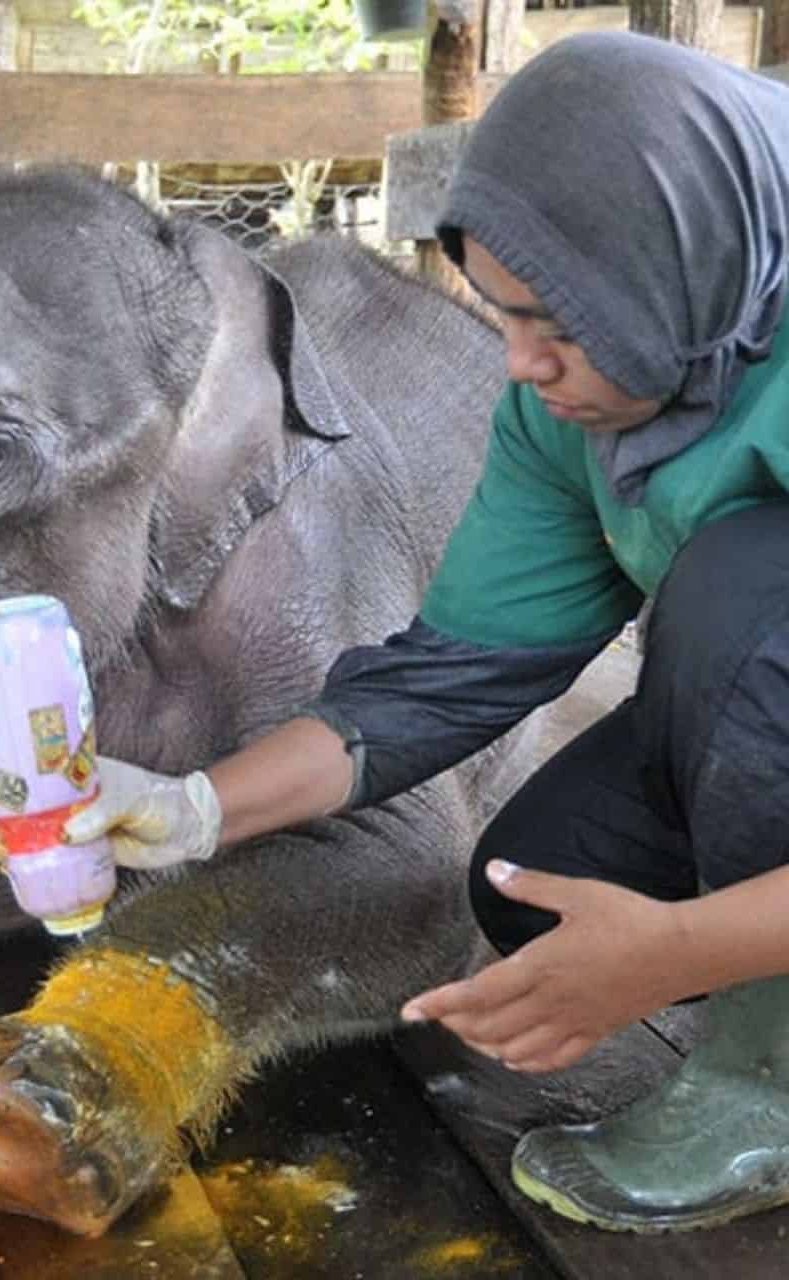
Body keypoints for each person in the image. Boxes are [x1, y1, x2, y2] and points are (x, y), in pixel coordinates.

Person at [56, 32, 789, 1233]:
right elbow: (452, 671)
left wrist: (678, 947)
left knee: (744, 590)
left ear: (679, 269)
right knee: (540, 886)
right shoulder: (571, 405)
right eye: (501, 315)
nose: (519, 362)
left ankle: (763, 1082)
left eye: (556, 322)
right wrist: (195, 806)